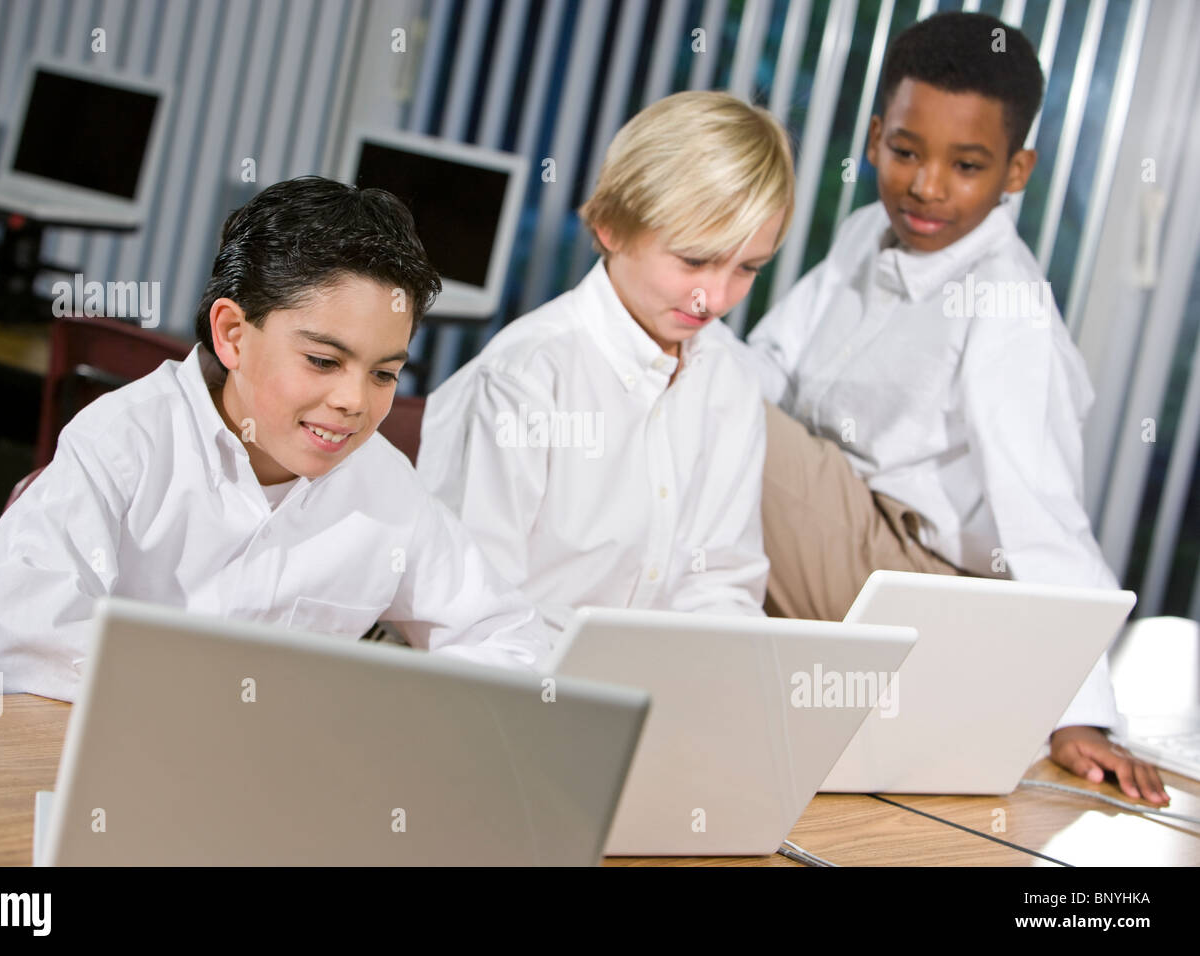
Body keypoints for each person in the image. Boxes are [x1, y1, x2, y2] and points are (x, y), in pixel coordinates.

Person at [737, 12, 1167, 805]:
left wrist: (1079, 714)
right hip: (841, 530)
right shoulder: (868, 232)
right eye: (905, 152)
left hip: (917, 583)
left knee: (711, 402)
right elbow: (770, 362)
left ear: (1016, 171)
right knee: (707, 386)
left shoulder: (1007, 307)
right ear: (873, 140)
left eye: (966, 165)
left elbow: (1045, 517)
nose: (927, 186)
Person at [0, 177, 550, 702]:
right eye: (324, 360)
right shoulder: (126, 441)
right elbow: (33, 641)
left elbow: (513, 642)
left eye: (383, 374)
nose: (355, 400)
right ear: (232, 335)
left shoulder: (384, 483)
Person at [417, 90, 793, 631]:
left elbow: (722, 586)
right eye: (693, 260)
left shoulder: (729, 382)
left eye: (747, 268)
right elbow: (469, 609)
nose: (714, 297)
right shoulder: (526, 376)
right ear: (611, 225)